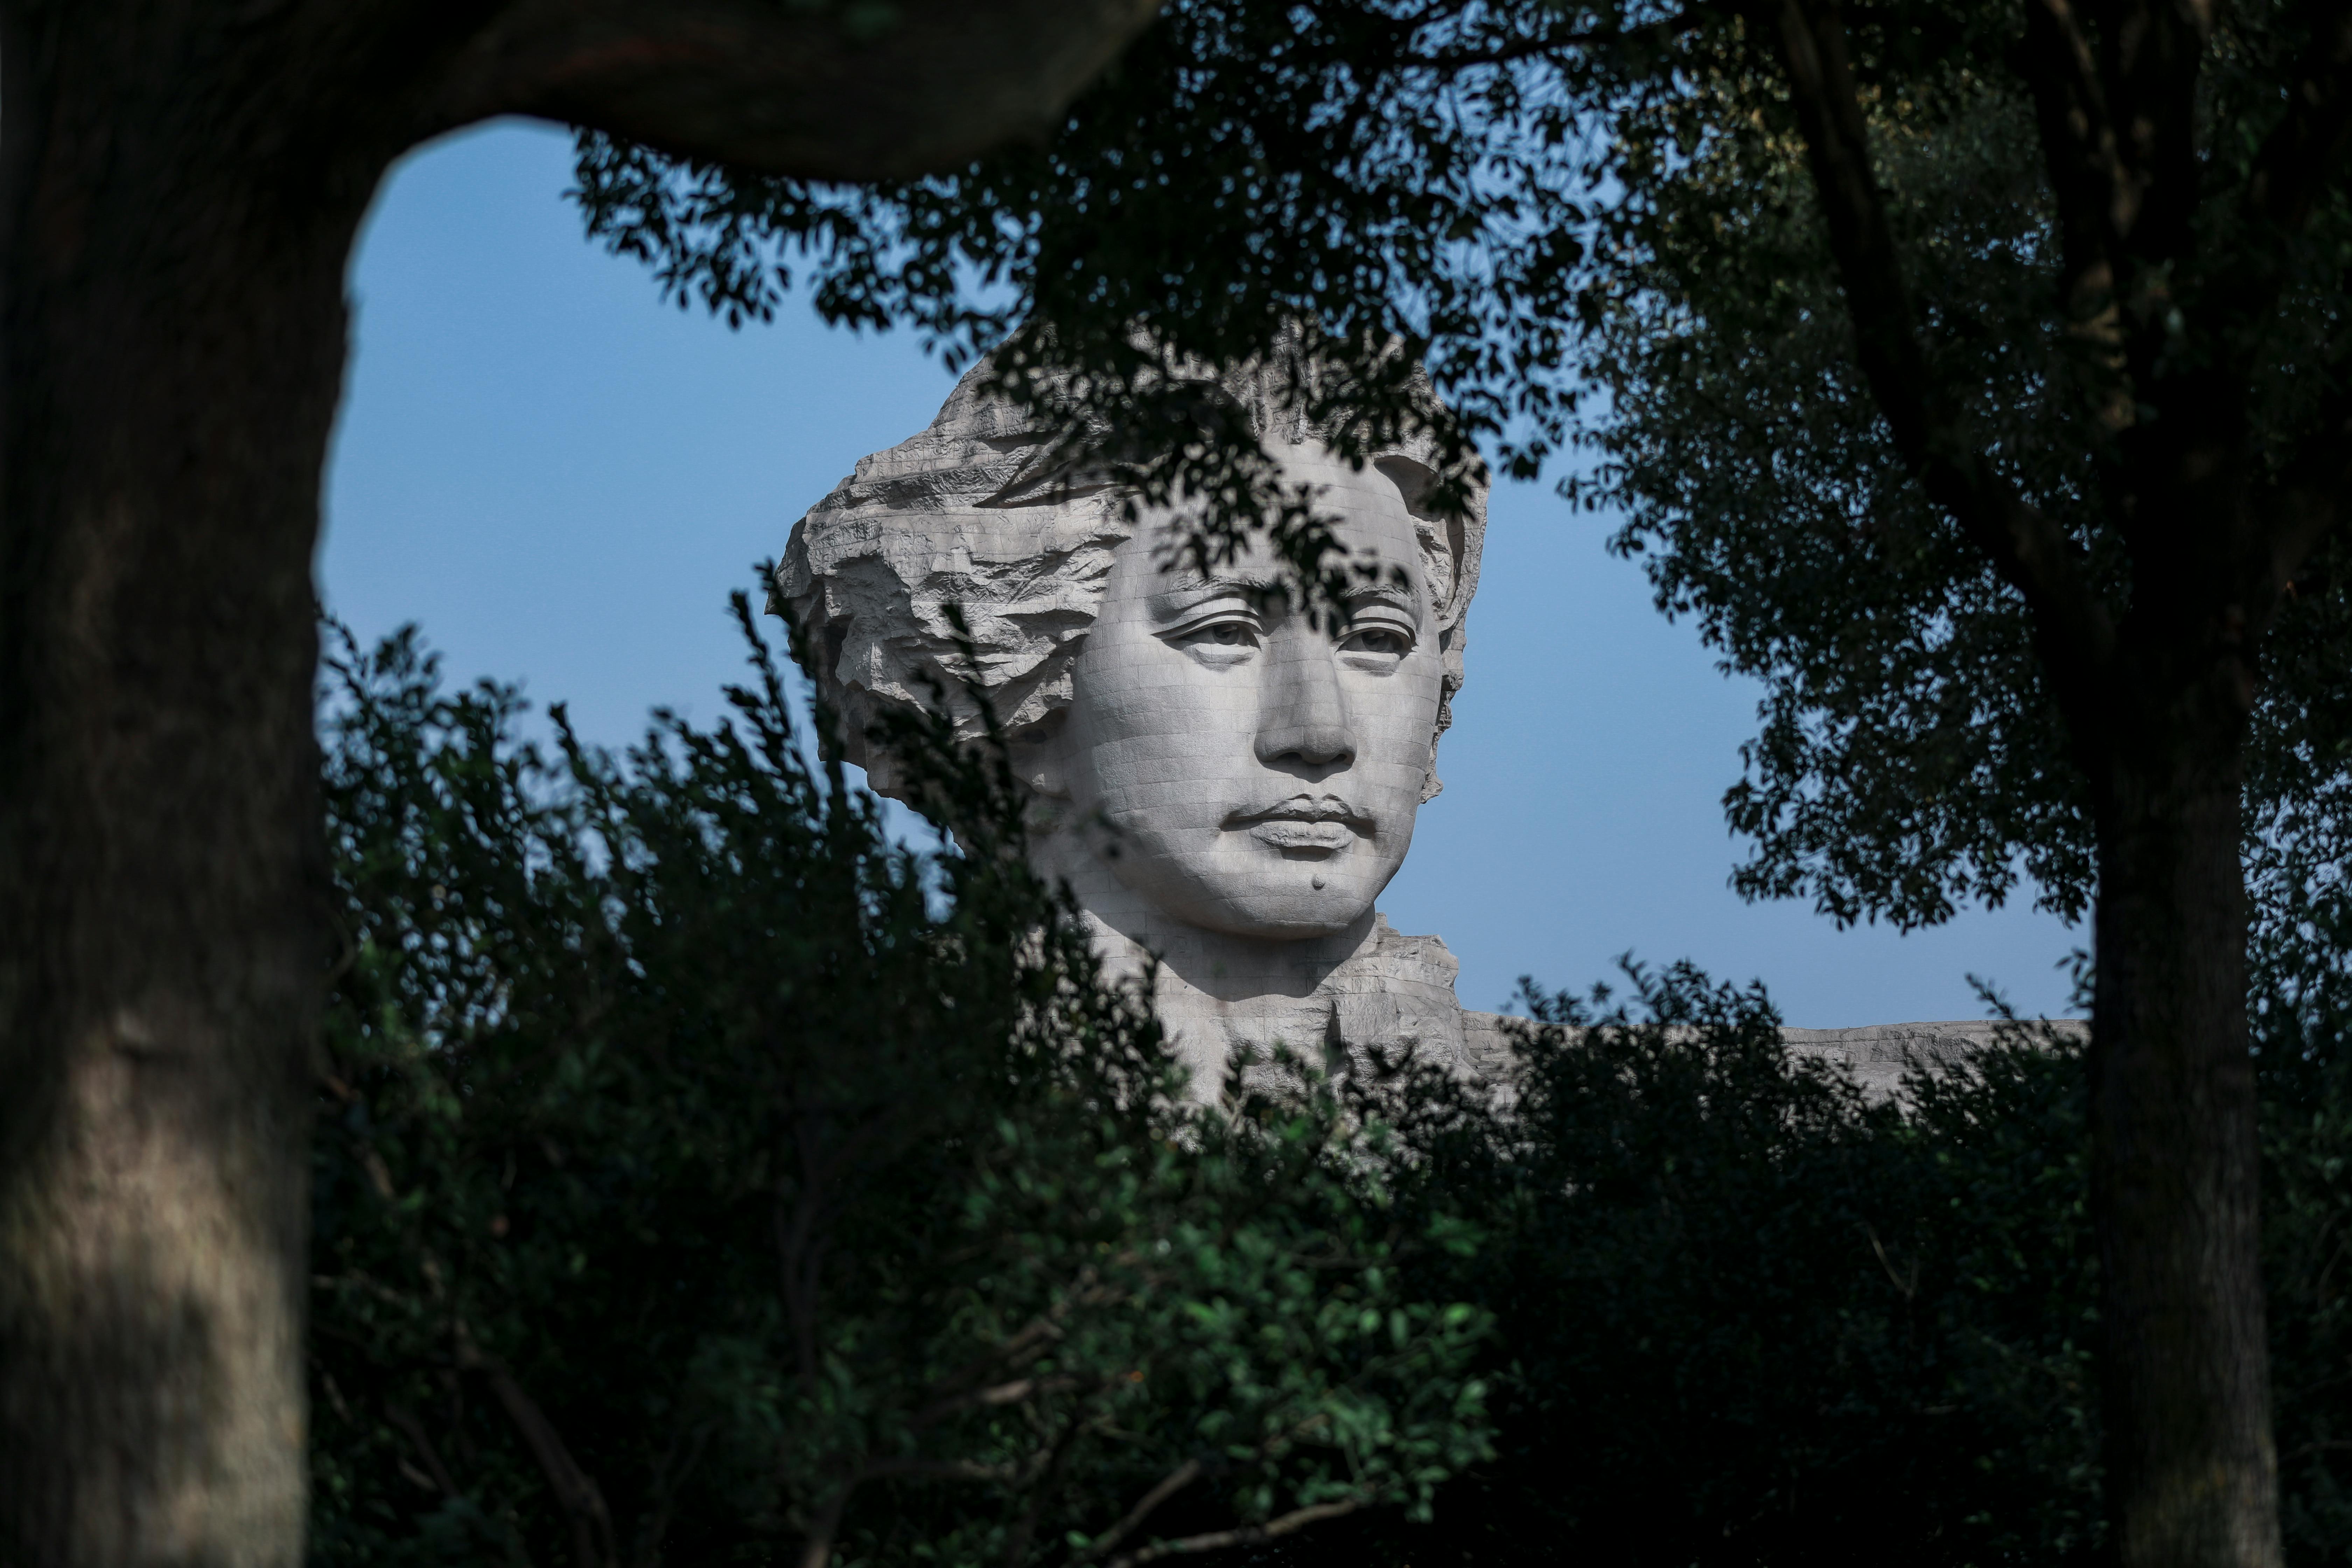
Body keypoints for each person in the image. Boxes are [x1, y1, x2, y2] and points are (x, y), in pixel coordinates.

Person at [776, 351, 1496, 1093]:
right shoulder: (830, 1107)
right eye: (1223, 631)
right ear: (1022, 689)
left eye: (1376, 639)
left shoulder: (1604, 1139)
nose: (1320, 733)